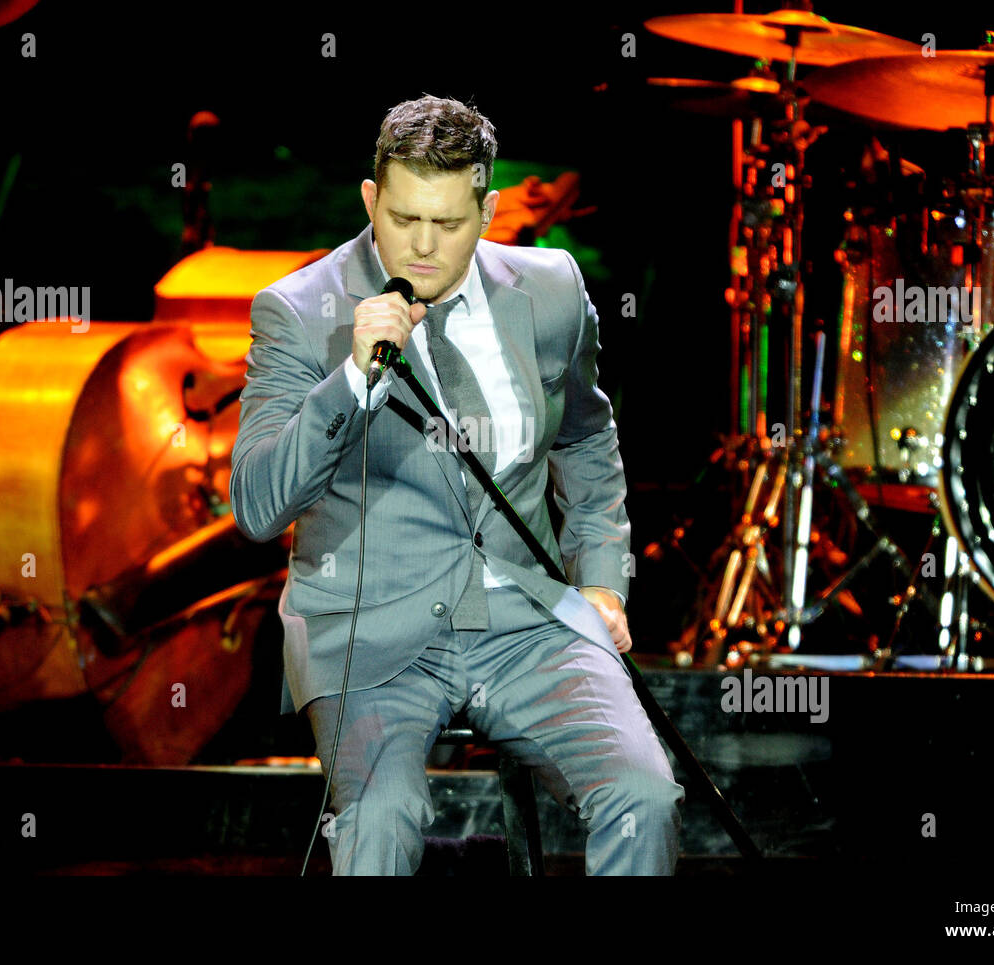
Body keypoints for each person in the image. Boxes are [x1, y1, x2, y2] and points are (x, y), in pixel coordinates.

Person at [230, 94, 684, 874]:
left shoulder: (550, 291)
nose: (422, 246)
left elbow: (586, 437)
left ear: (489, 207)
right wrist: (349, 380)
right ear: (372, 199)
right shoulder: (301, 312)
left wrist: (604, 582)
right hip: (370, 634)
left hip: (526, 621)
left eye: (448, 224)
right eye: (403, 219)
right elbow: (257, 504)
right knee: (380, 818)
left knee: (645, 794)